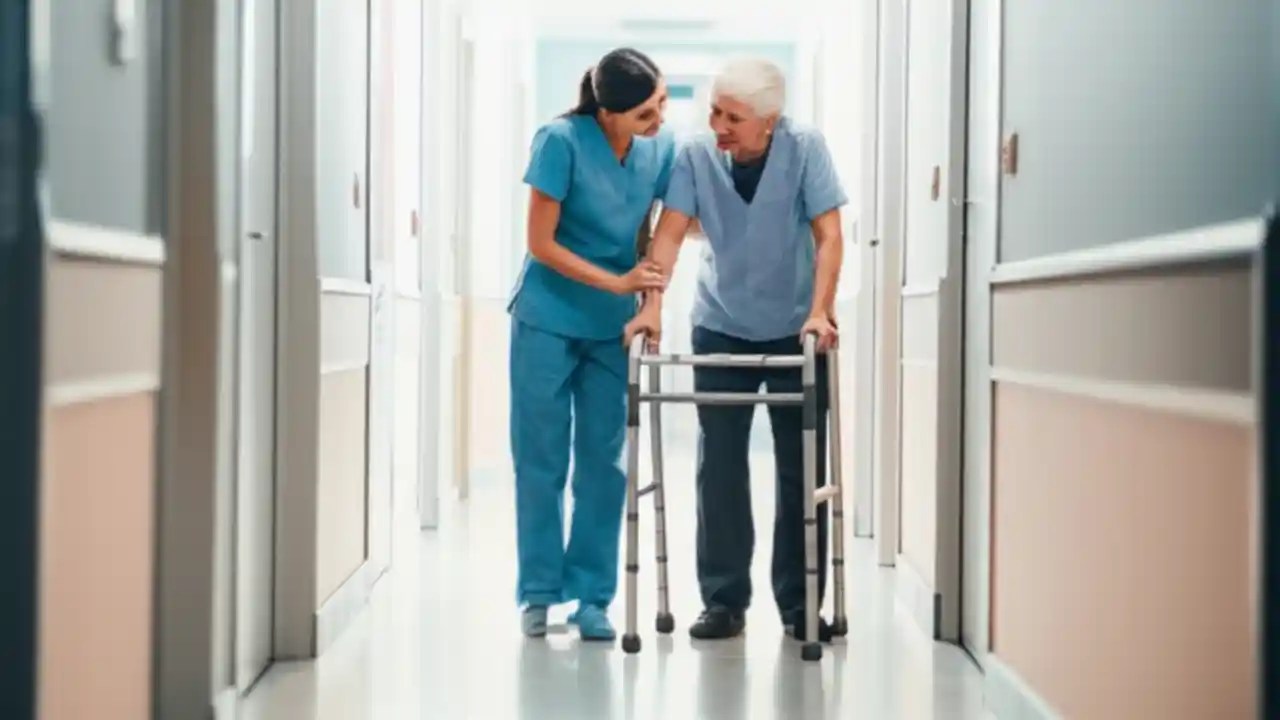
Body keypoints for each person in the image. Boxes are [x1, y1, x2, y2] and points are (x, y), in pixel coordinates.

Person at [625, 58, 846, 642]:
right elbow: (669, 234)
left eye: (734, 117)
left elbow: (829, 235)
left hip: (797, 326)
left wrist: (820, 309)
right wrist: (651, 306)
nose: (718, 123)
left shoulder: (805, 149)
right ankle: (723, 601)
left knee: (800, 468)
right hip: (720, 323)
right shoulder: (697, 157)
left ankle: (801, 605)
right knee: (719, 465)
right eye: (715, 111)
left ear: (768, 123)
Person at [509, 48, 675, 642]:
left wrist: (647, 298)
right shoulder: (559, 141)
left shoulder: (661, 147)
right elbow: (540, 242)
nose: (658, 119)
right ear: (607, 111)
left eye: (661, 102)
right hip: (547, 318)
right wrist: (619, 283)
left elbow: (660, 227)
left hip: (612, 329)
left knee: (604, 466)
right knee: (541, 460)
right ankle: (538, 592)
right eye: (644, 113)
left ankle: (593, 598)